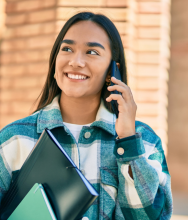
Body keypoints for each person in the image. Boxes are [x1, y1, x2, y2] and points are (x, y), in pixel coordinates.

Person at [0, 12, 173, 219]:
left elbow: (150, 216)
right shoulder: (14, 139)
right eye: (67, 49)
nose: (76, 61)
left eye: (91, 52)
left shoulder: (145, 142)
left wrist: (128, 142)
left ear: (112, 71)